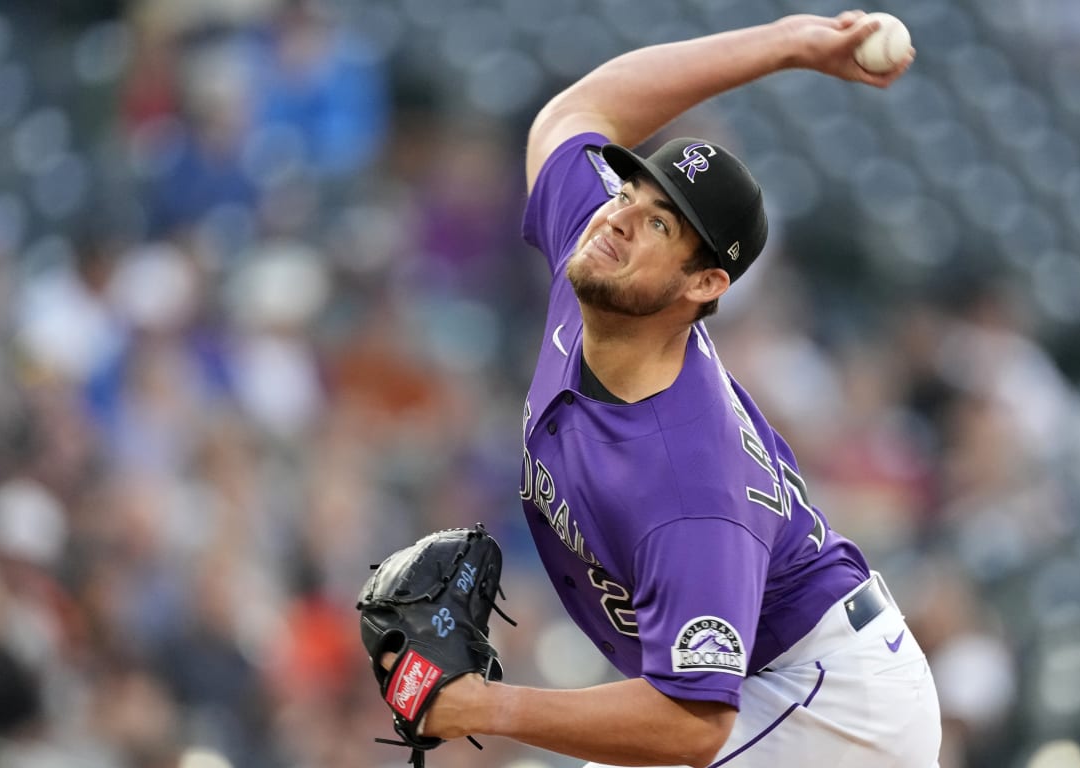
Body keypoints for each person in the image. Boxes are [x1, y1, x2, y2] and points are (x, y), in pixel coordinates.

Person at [391, 12, 937, 767]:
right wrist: (787, 44)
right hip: (757, 676)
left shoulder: (689, 479)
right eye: (629, 192)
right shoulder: (596, 259)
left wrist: (489, 705)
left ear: (704, 283)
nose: (619, 221)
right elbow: (579, 113)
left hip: (829, 705)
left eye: (659, 225)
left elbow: (691, 723)